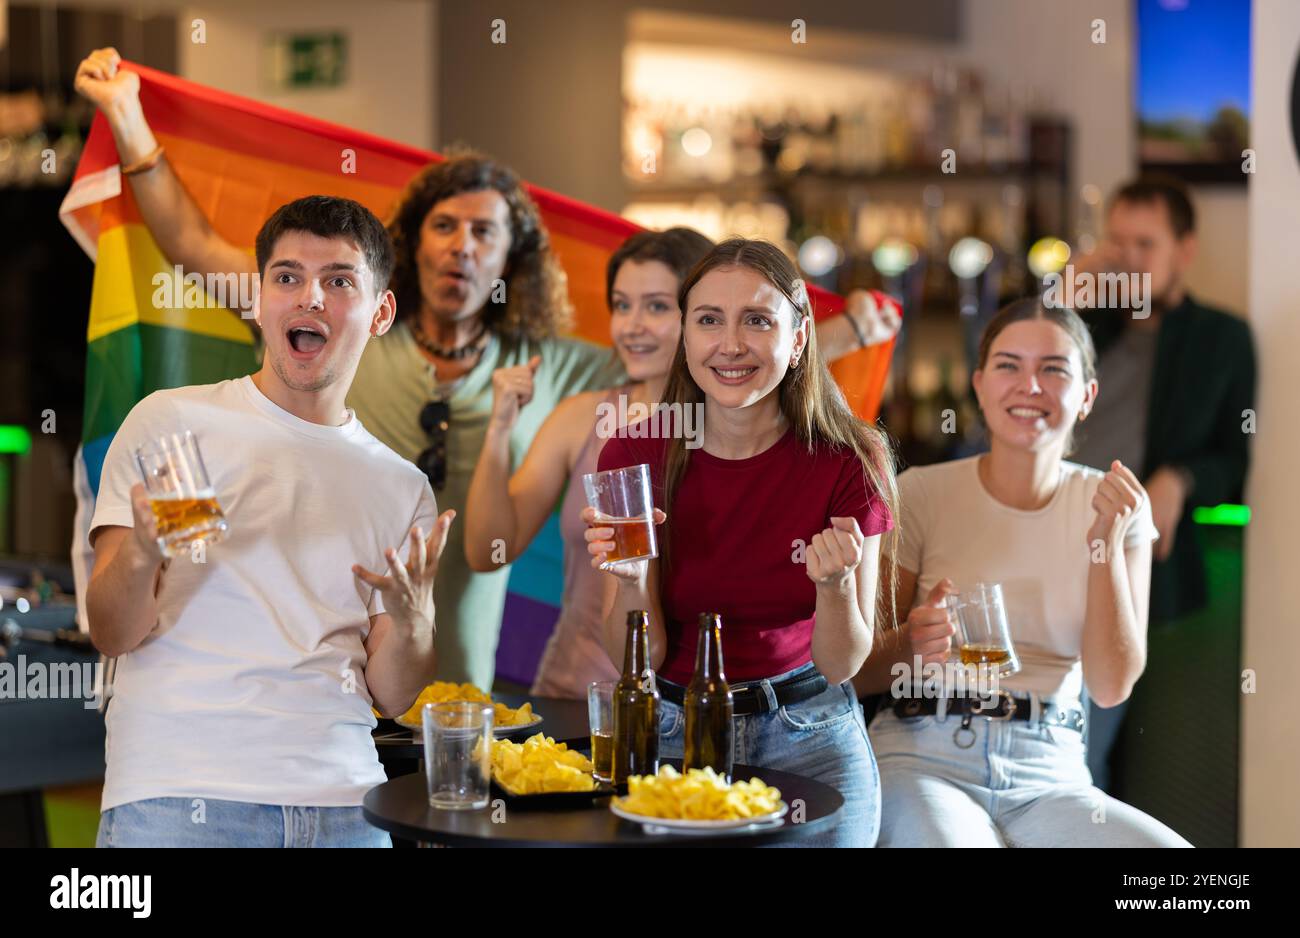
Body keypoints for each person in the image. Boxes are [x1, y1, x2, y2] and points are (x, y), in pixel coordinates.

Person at [73, 47, 892, 690]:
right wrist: (128, 118)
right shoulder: (342, 323)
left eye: (486, 234)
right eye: (445, 226)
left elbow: (709, 361)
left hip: (473, 661)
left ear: (514, 259)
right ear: (410, 244)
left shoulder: (558, 368)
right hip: (334, 668)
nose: (463, 246)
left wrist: (842, 331)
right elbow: (197, 251)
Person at [86, 196, 453, 847]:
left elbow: (393, 694)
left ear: (381, 313)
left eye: (339, 281)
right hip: (178, 803)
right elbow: (113, 633)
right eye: (287, 277)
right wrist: (144, 551)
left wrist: (415, 617)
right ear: (258, 299)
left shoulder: (402, 489)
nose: (309, 297)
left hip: (346, 808)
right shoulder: (171, 424)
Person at [465, 228, 901, 699]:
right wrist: (499, 427)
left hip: (763, 705)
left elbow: (769, 360)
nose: (633, 325)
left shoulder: (834, 450)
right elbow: (491, 549)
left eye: (655, 306)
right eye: (622, 304)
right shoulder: (617, 438)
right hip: (605, 696)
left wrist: (848, 330)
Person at [584, 238, 898, 847]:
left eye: (757, 320)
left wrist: (833, 588)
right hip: (671, 736)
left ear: (799, 335)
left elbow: (841, 664)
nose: (731, 345)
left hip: (812, 736)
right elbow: (637, 661)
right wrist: (629, 581)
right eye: (708, 321)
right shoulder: (632, 453)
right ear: (686, 337)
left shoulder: (853, 458)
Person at [853, 297, 1191, 847]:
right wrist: (911, 644)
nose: (1029, 386)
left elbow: (1111, 686)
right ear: (980, 385)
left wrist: (1104, 542)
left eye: (1053, 369)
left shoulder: (1116, 505)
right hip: (923, 757)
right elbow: (860, 672)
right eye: (1009, 366)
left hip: (1050, 772)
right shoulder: (919, 494)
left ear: (1087, 396)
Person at [1070, 176, 1256, 789]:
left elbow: (1233, 464)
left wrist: (1179, 479)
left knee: (1102, 755)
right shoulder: (1081, 322)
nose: (1126, 258)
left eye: (1143, 244)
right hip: (1047, 535)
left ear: (1185, 250)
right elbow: (1004, 374)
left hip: (1138, 562)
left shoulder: (1221, 339)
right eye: (1116, 243)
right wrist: (1063, 296)